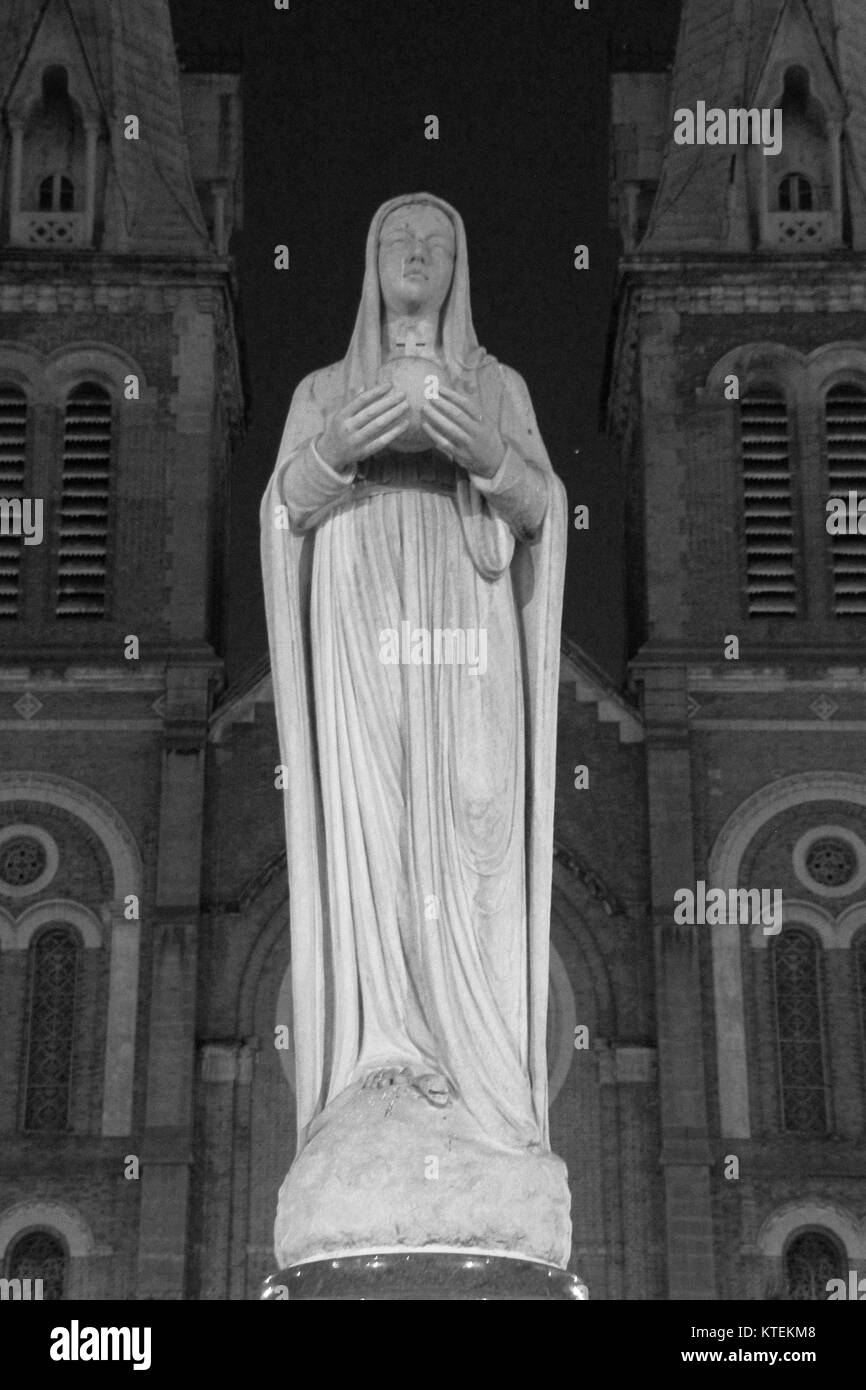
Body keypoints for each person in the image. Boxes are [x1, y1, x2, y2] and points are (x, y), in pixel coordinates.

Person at [261, 193, 567, 1157]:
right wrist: (339, 448)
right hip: (359, 614)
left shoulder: (501, 385)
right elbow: (281, 510)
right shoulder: (320, 389)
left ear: (460, 267)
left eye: (438, 241)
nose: (419, 253)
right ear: (370, 262)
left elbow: (541, 508)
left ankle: (484, 1093)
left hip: (465, 621)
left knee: (479, 824)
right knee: (376, 830)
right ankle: (379, 1064)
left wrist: (486, 455)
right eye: (399, 238)